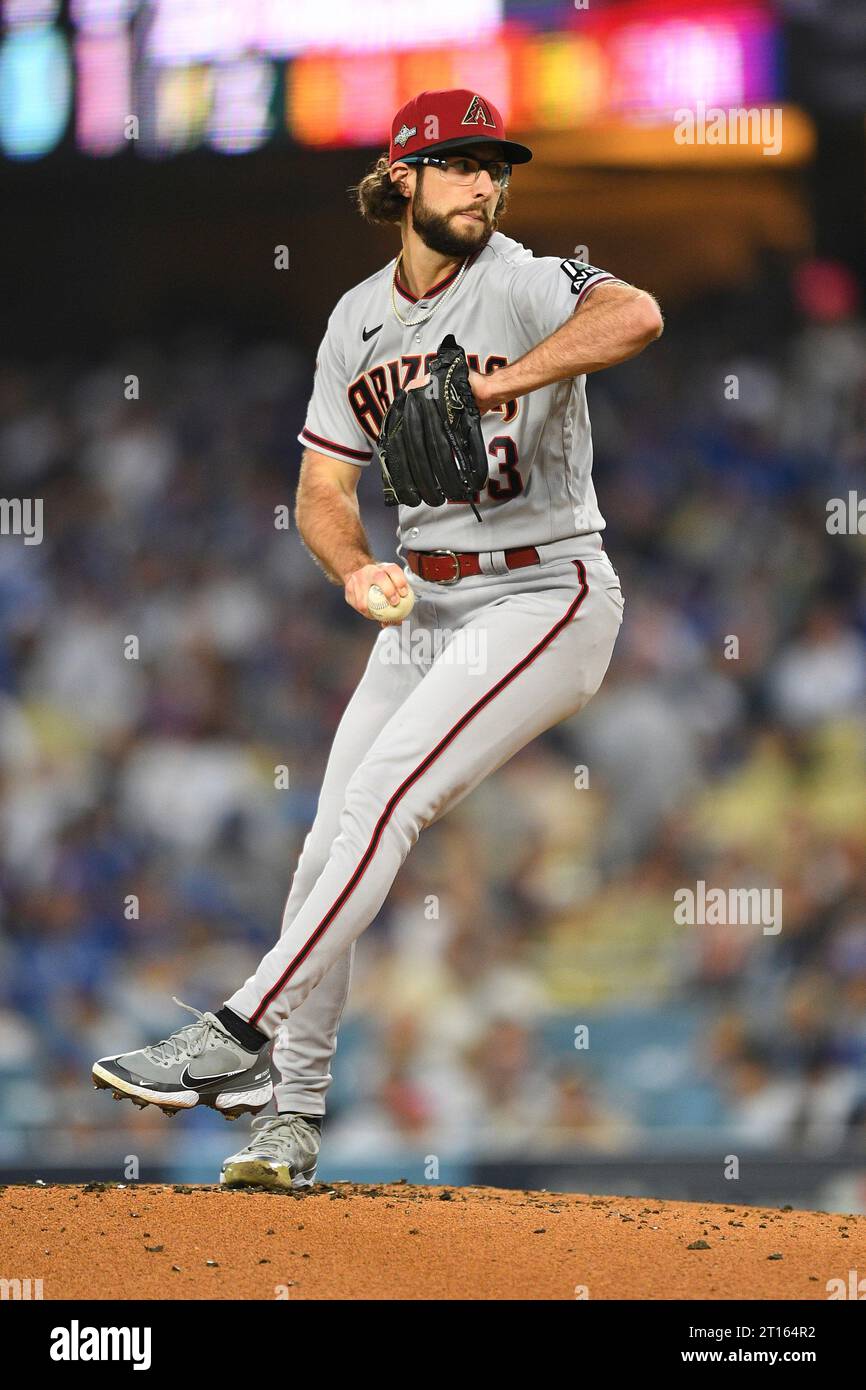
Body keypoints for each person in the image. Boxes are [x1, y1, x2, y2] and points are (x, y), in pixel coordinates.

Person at [93, 88, 663, 1189]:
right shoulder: (355, 318)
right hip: (430, 603)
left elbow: (633, 316)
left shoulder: (527, 279)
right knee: (324, 848)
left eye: (494, 166)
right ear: (400, 179)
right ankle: (289, 1117)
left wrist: (500, 378)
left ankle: (235, 1030)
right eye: (457, 165)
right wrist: (354, 567)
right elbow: (320, 485)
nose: (483, 184)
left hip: (546, 591)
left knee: (383, 800)